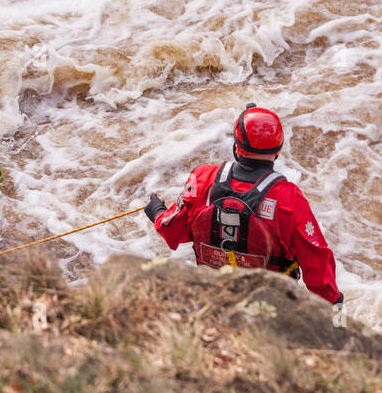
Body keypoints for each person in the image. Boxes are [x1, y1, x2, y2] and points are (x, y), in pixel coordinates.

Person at [144, 104, 343, 308]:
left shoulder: (203, 178)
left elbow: (171, 230)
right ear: (278, 150)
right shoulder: (289, 199)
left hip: (213, 301)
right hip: (270, 309)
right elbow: (319, 272)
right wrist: (338, 316)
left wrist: (157, 211)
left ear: (236, 147)